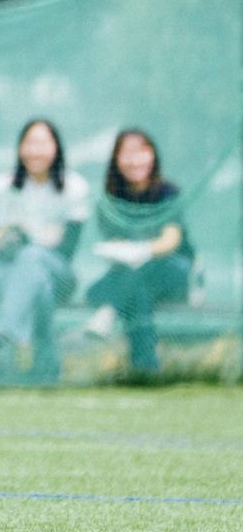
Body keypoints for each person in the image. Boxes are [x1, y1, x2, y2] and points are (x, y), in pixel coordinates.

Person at [0, 117, 89, 383]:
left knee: (32, 261)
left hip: (60, 273)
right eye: (30, 143)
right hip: (9, 270)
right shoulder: (3, 186)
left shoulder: (74, 187)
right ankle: (47, 369)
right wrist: (38, 237)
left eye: (43, 143)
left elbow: (67, 249)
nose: (36, 151)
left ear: (56, 148)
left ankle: (5, 338)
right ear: (20, 149)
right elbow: (1, 245)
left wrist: (27, 237)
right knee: (36, 284)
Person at [86, 128, 194, 379]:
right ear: (116, 160)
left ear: (152, 156)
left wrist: (142, 250)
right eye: (128, 154)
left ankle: (109, 313)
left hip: (171, 271)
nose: (135, 161)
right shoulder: (110, 200)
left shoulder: (168, 192)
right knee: (129, 291)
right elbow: (114, 243)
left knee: (128, 284)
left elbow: (171, 240)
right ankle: (146, 367)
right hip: (132, 278)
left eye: (141, 153)